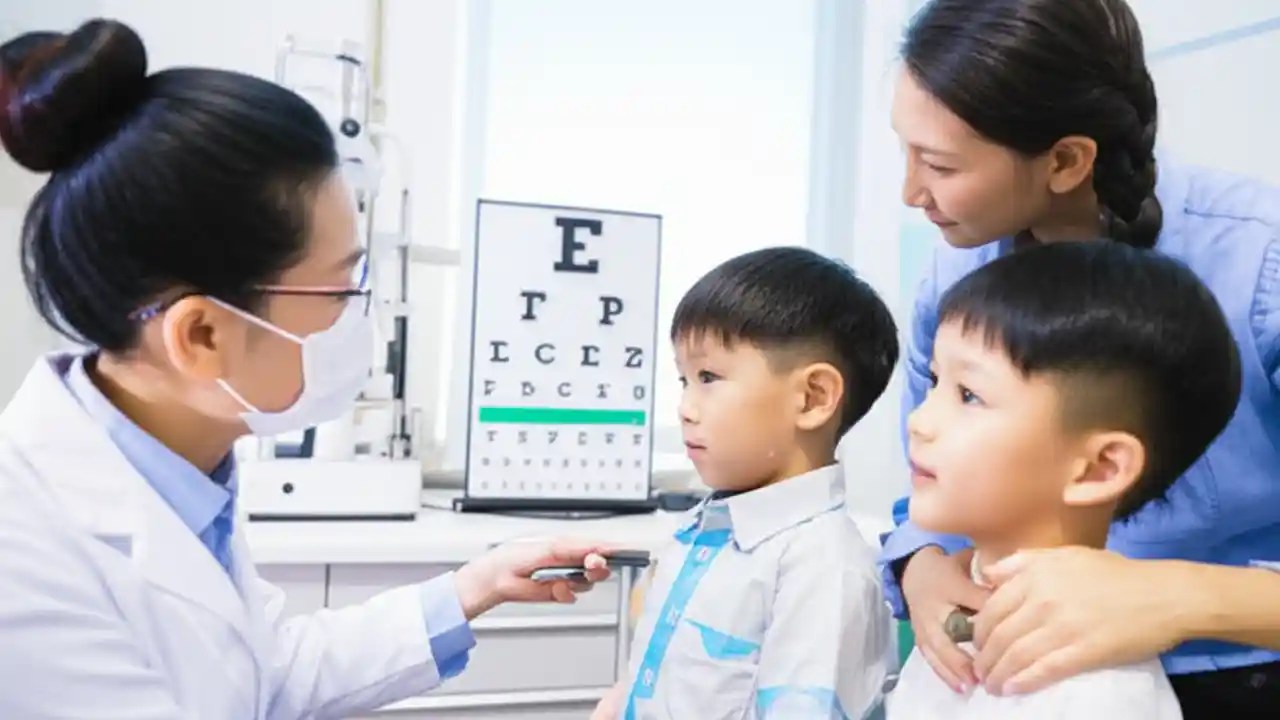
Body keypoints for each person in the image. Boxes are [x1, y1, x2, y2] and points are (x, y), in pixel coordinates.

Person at [0, 20, 613, 719]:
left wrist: (479, 585)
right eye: (340, 291)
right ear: (202, 335)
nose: (360, 319)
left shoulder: (176, 472)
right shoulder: (23, 555)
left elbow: (262, 673)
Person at [878, 0, 1280, 716]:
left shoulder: (1256, 259)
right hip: (1007, 665)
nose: (910, 193)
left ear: (1066, 160)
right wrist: (921, 564)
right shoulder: (956, 267)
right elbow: (928, 484)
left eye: (938, 165)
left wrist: (1181, 596)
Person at [888, 241, 1242, 718]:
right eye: (935, 382)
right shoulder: (956, 605)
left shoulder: (1098, 694)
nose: (919, 421)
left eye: (969, 395)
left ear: (1099, 468)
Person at [593, 246, 899, 720]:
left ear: (812, 398)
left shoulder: (824, 570)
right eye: (684, 380)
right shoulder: (703, 529)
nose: (685, 408)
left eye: (708, 377)